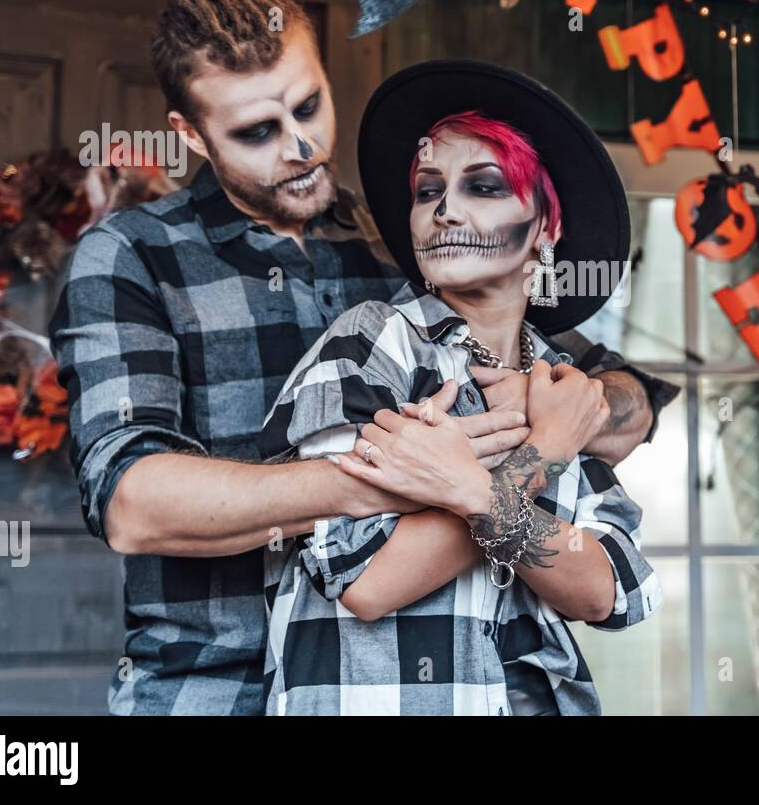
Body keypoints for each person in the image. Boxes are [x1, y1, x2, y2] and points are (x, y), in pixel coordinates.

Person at [48, 0, 678, 715]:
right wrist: (393, 476)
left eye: (309, 106)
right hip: (214, 688)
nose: (301, 146)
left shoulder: (406, 239)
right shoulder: (131, 255)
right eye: (257, 131)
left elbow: (618, 397)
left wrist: (585, 410)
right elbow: (133, 502)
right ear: (191, 135)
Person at [257, 61, 662, 715]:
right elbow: (367, 579)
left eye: (484, 185)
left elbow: (604, 590)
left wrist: (472, 485)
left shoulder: (562, 387)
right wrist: (542, 456)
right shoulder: (373, 342)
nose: (445, 210)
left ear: (546, 230)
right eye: (427, 190)